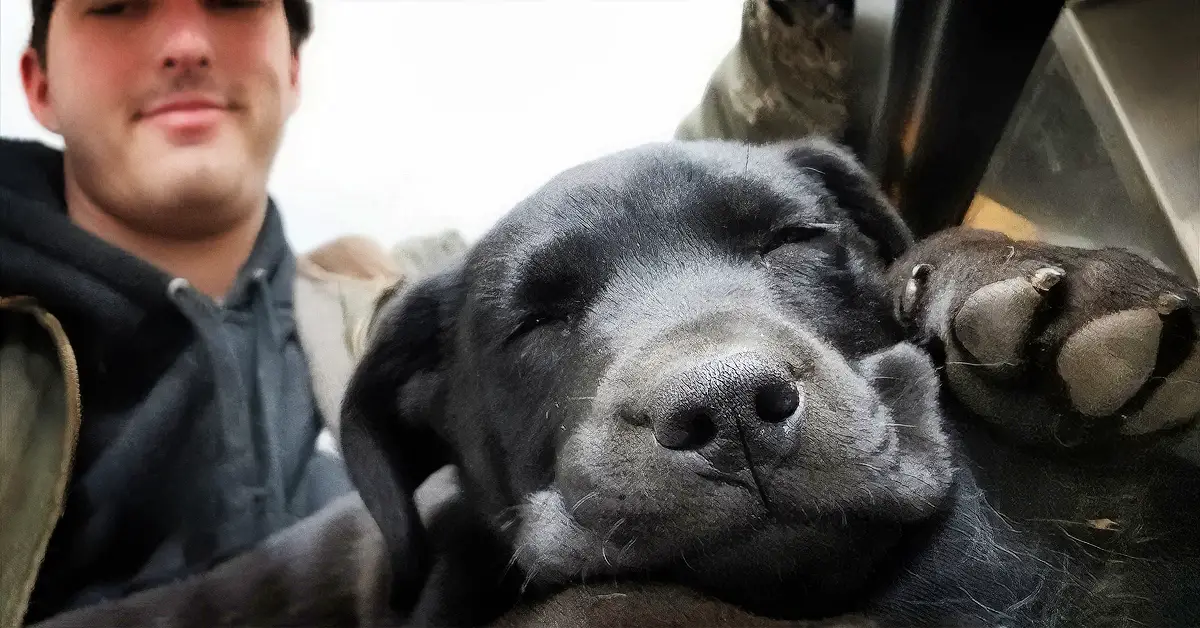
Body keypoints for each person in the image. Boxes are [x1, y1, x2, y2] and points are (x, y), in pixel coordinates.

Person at [0, 1, 465, 625]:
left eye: (233, 1)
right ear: (40, 84)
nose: (186, 46)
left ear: (293, 65)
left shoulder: (450, 330)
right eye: (117, 5)